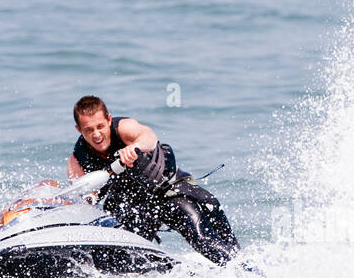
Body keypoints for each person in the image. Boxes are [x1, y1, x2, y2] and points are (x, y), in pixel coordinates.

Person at [66, 95, 240, 265]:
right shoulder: (77, 162)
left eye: (100, 126)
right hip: (136, 211)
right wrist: (86, 199)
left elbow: (148, 137)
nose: (97, 134)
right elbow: (82, 200)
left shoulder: (124, 128)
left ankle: (248, 274)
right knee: (121, 261)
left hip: (169, 196)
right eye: (89, 129)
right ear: (78, 129)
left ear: (109, 120)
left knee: (203, 240)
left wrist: (135, 147)